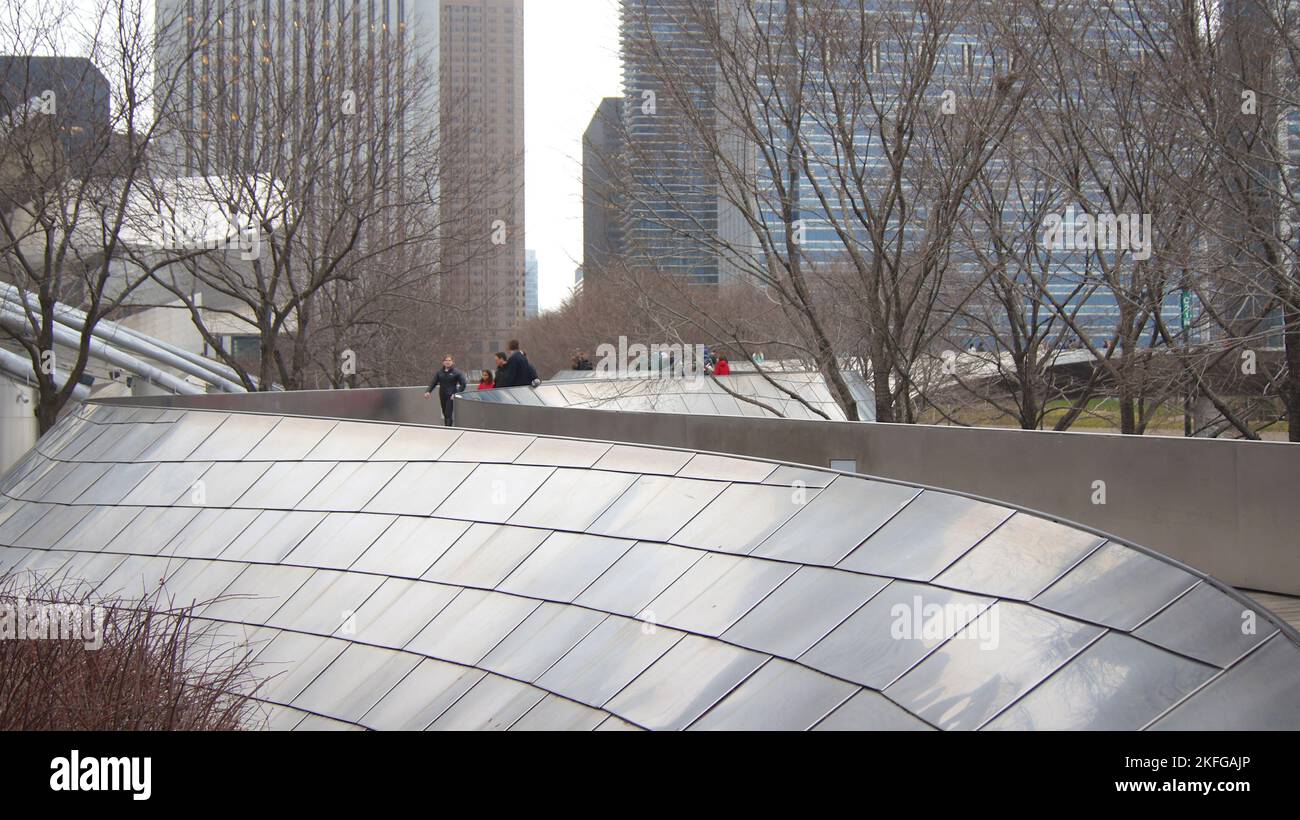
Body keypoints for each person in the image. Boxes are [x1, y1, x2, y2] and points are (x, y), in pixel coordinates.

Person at [423, 355, 467, 426]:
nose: (448, 362)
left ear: (453, 362)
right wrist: (428, 391)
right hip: (442, 395)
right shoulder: (440, 372)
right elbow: (433, 383)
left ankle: (448, 430)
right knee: (445, 414)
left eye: (449, 360)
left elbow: (463, 384)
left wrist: (456, 394)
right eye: (446, 360)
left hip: (451, 395)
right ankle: (448, 428)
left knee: (448, 413)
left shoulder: (456, 372)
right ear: (443, 362)